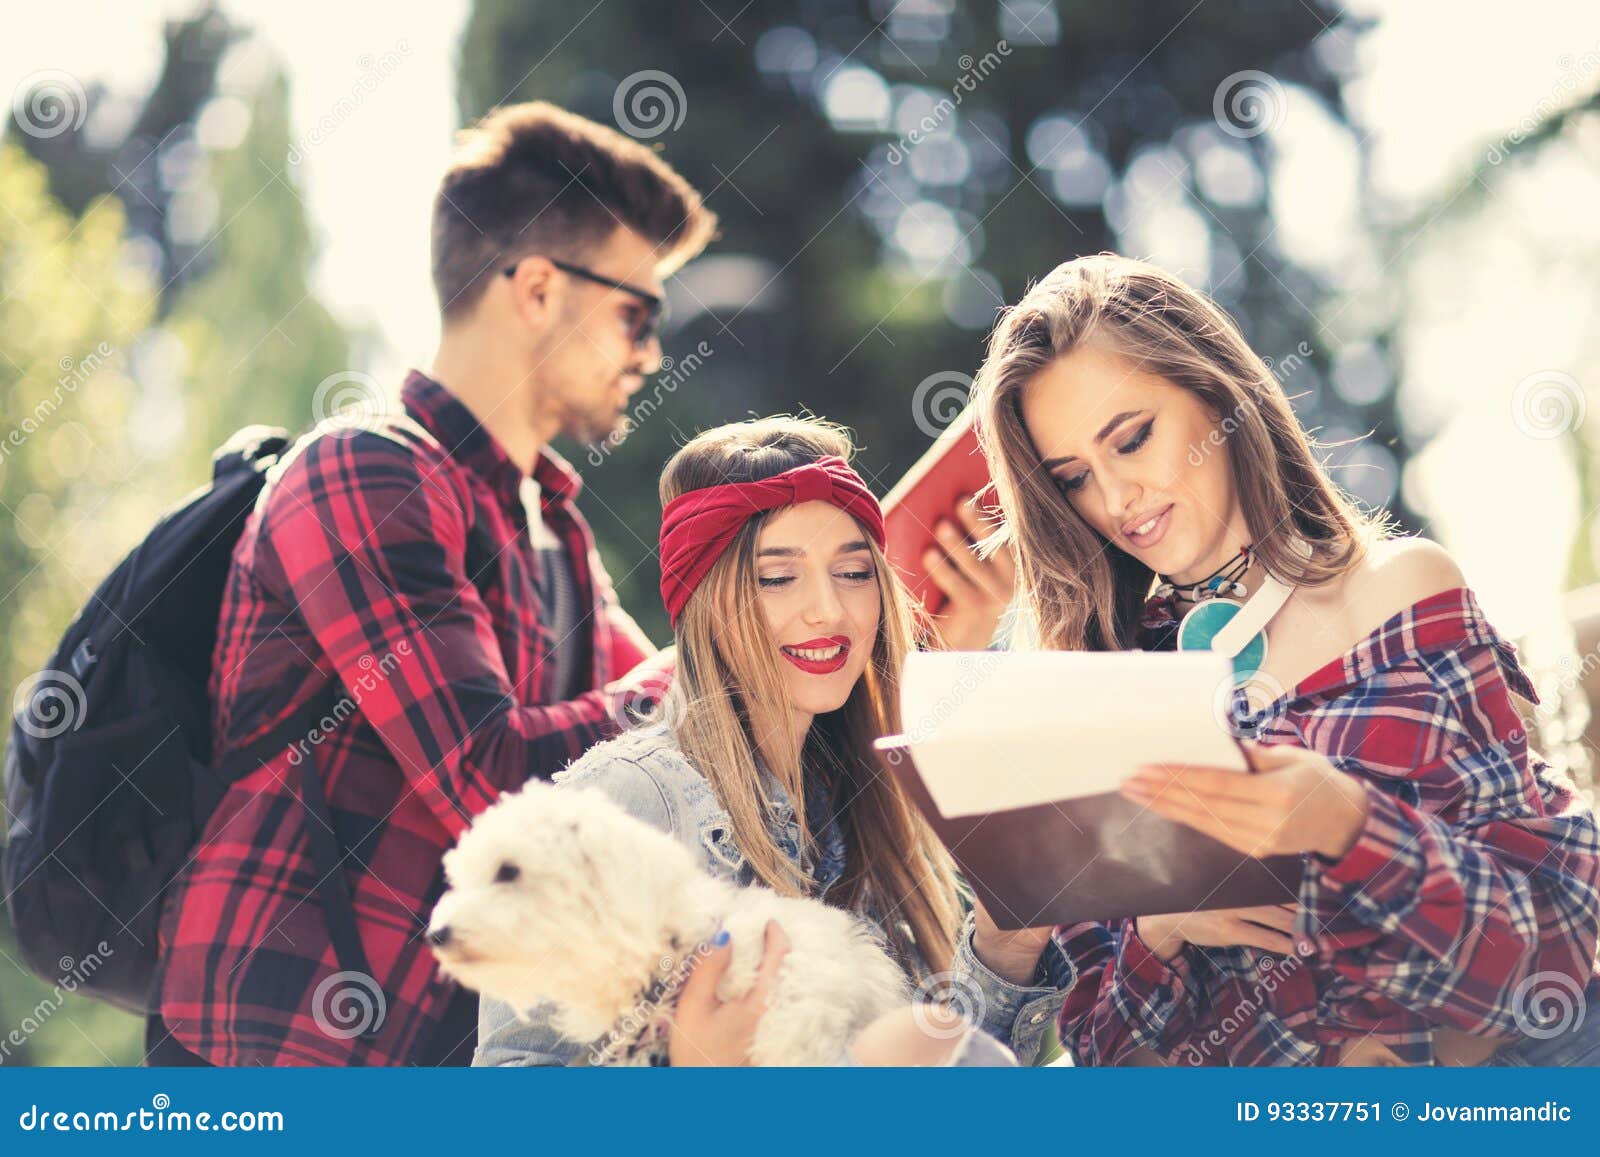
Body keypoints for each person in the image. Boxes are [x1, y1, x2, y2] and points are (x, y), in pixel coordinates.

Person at [150, 102, 717, 1067]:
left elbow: (684, 737)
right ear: (537, 288)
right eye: (638, 312)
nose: (649, 352)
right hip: (277, 1056)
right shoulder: (363, 473)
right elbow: (488, 773)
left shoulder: (555, 532)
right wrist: (719, 668)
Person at [966, 253, 1600, 1067]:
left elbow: (1548, 954)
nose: (1118, 498)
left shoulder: (1400, 592)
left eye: (1132, 438)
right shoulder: (1100, 690)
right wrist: (1160, 933)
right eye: (1076, 477)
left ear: (1216, 395)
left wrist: (1349, 826)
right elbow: (1106, 1063)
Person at [473, 416, 1071, 1067]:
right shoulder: (624, 799)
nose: (828, 610)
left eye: (853, 571)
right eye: (778, 577)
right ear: (706, 599)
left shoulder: (868, 814)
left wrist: (1005, 947)